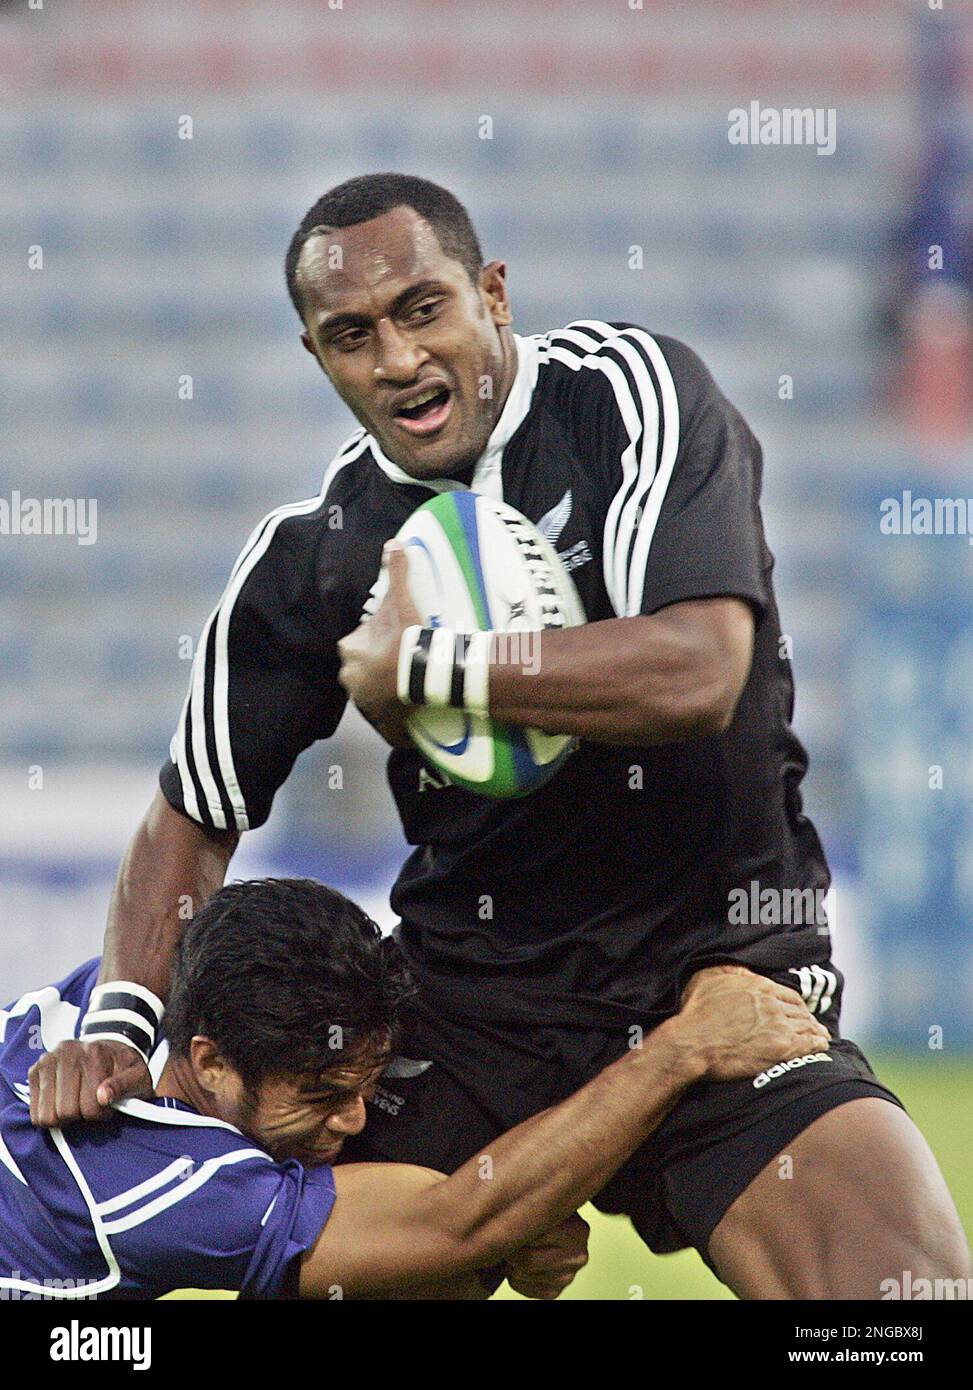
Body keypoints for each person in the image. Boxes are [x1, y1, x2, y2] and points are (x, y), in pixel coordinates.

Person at [35, 173, 970, 1299]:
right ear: (315, 357)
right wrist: (124, 1025)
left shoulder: (628, 401)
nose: (395, 360)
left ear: (491, 294)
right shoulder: (312, 558)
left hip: (716, 971)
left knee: (899, 1301)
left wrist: (429, 667)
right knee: (342, 1277)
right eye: (351, 336)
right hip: (470, 1010)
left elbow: (699, 667)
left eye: (422, 309)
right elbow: (190, 815)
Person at [7, 879, 830, 1300]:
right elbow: (458, 1220)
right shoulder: (158, 1193)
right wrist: (680, 1050)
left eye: (364, 1086)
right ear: (211, 1061)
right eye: (321, 1094)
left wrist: (517, 1231)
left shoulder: (101, 1009)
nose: (356, 1119)